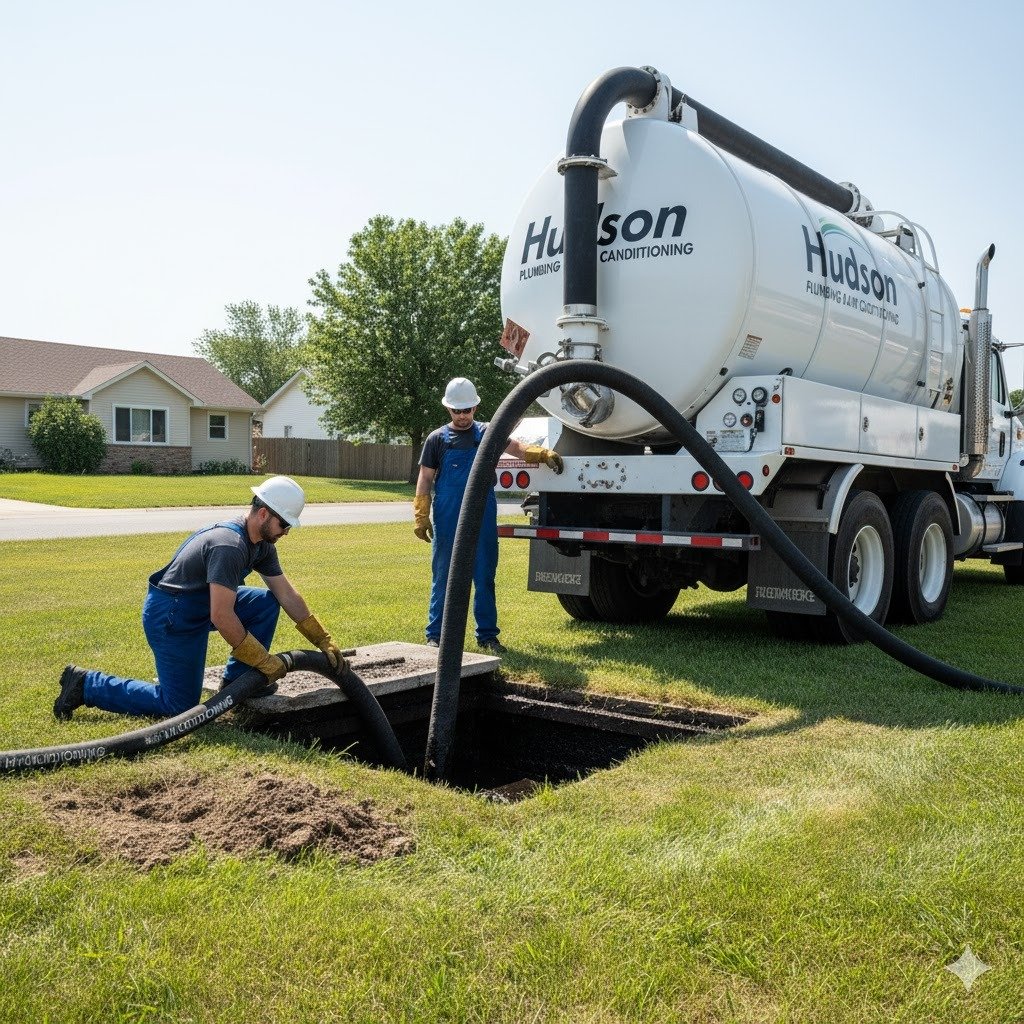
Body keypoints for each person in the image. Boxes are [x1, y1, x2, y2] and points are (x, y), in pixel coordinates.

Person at [53, 476, 346, 721]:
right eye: (285, 524)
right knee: (179, 706)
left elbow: (285, 593)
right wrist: (263, 660)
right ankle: (87, 685)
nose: (286, 532)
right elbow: (222, 616)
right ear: (263, 514)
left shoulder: (260, 545)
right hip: (171, 615)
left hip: (196, 604)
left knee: (266, 602)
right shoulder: (228, 545)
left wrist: (320, 637)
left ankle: (239, 683)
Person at [413, 377, 563, 654]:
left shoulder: (487, 433)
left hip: (482, 511)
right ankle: (435, 635)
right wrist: (421, 513)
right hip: (447, 513)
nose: (462, 415)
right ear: (448, 410)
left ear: (475, 408)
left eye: (466, 410)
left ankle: (487, 636)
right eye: (457, 411)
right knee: (443, 575)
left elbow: (516, 448)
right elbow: (425, 477)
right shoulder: (436, 439)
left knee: (484, 575)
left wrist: (541, 453)